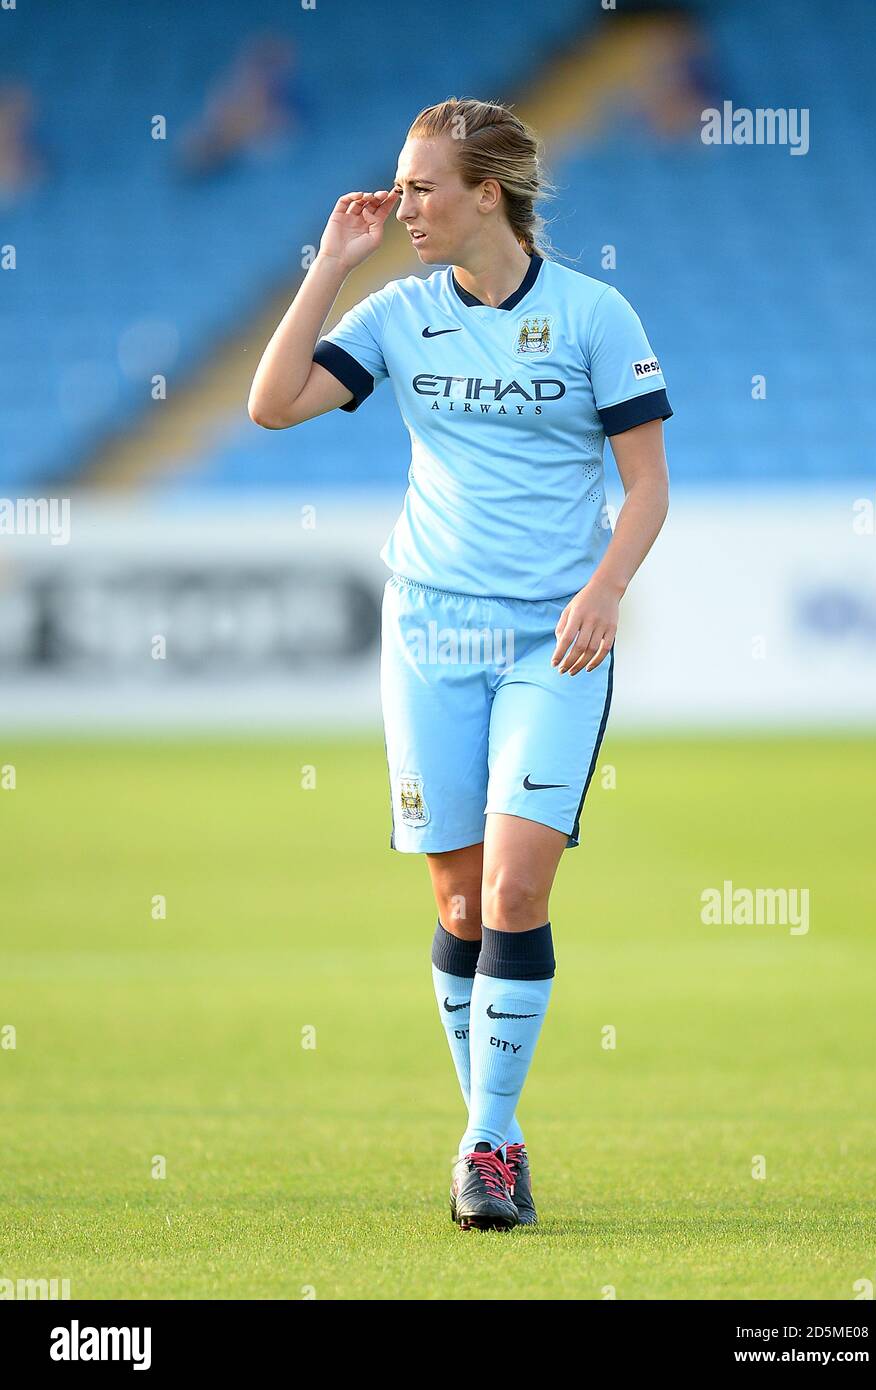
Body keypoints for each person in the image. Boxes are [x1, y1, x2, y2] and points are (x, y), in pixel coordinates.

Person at [249, 97, 671, 1232]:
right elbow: (272, 404)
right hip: (431, 631)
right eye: (399, 184)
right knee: (453, 896)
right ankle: (497, 1127)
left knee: (514, 888)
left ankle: (484, 1143)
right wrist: (331, 267)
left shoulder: (592, 312)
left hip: (554, 634)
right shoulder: (397, 311)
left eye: (422, 187)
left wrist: (604, 589)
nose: (401, 206)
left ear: (489, 193)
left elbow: (648, 487)